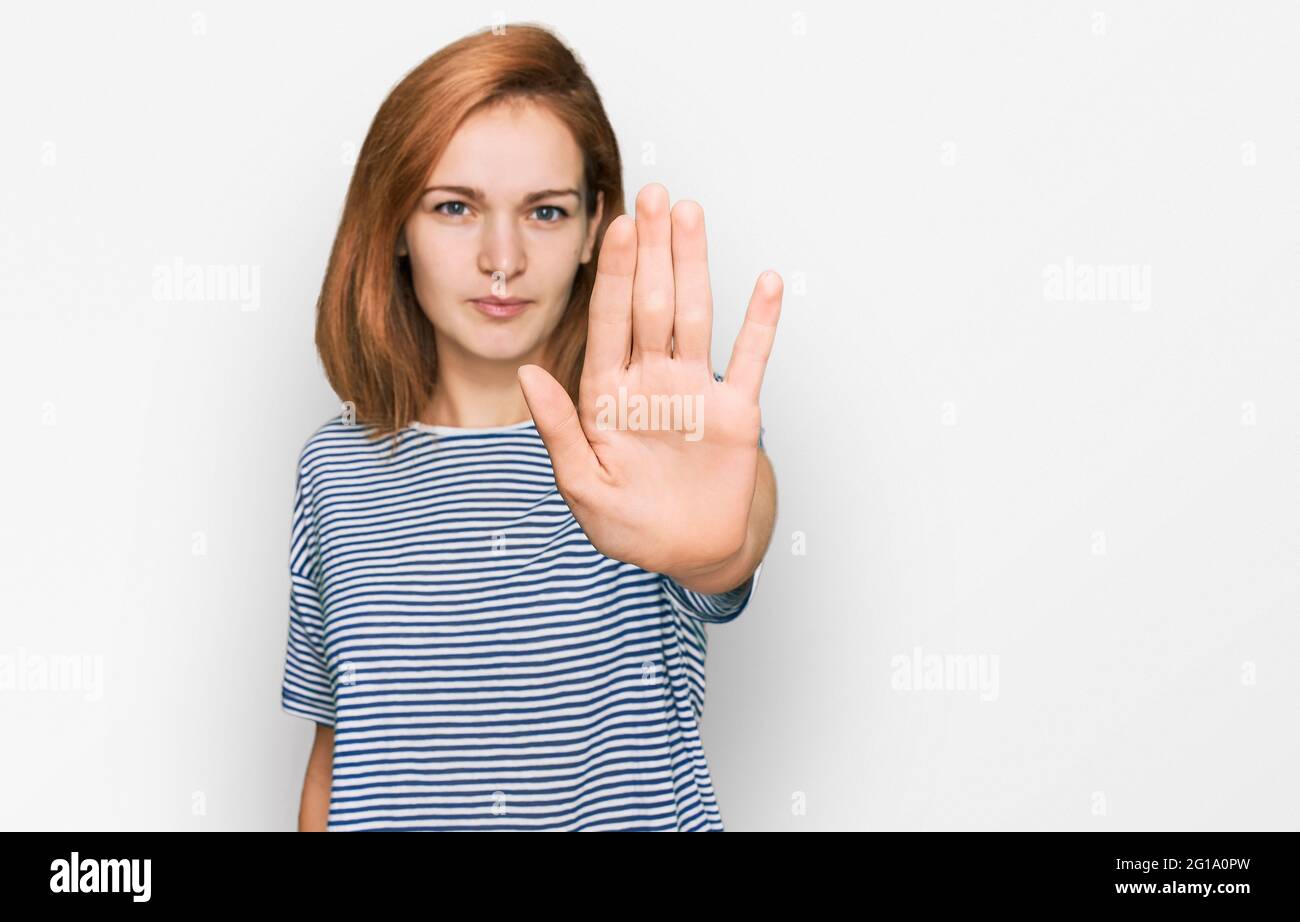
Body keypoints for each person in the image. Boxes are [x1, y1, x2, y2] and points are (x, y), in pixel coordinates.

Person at [281, 22, 780, 831]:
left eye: (545, 211)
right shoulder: (332, 467)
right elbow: (339, 757)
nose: (502, 258)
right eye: (454, 207)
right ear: (397, 228)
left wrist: (721, 545)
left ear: (594, 228)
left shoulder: (655, 433)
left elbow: (734, 528)